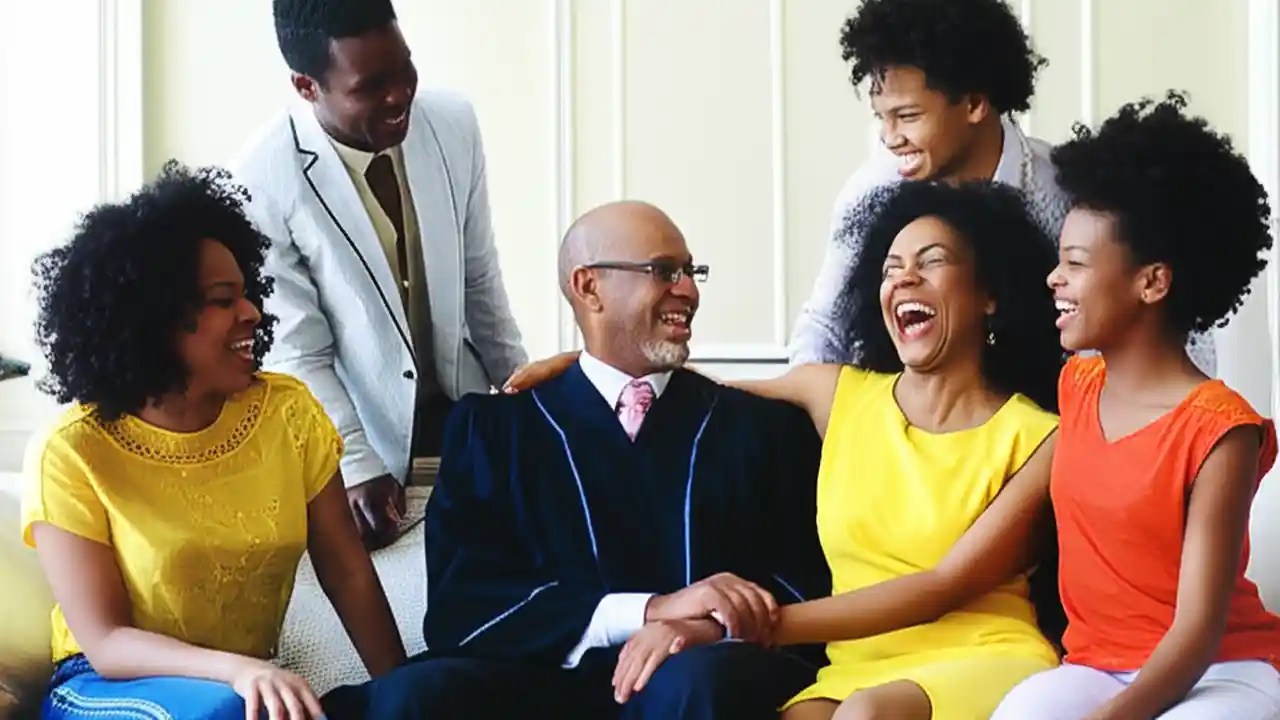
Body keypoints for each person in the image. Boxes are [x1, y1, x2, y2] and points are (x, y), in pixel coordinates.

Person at [506, 182, 1069, 719]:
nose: (905, 280)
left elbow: (940, 586)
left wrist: (731, 624)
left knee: (868, 714)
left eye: (931, 262)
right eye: (891, 268)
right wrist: (585, 368)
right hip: (858, 664)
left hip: (983, 653)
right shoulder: (833, 392)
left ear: (991, 294)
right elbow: (691, 389)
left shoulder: (1040, 435)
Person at [320, 200, 831, 719]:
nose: (689, 291)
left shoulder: (763, 427)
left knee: (704, 681)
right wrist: (647, 610)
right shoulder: (495, 432)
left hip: (693, 674)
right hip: (539, 679)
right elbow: (464, 604)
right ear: (589, 287)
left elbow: (806, 580)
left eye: (691, 272)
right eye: (664, 271)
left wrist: (709, 623)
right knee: (418, 696)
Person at [21, 162, 406, 720]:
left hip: (244, 689)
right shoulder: (72, 451)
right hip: (105, 690)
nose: (252, 313)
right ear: (155, 318)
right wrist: (238, 670)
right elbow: (104, 641)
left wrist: (403, 694)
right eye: (224, 300)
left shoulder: (287, 414)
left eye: (247, 294)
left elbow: (348, 573)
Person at [992, 93, 1280, 719]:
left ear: (1152, 281)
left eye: (1075, 264)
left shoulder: (1221, 431)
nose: (1054, 279)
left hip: (1222, 670)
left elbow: (1198, 630)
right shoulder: (1078, 388)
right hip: (1096, 664)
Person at [231, 0, 528, 551]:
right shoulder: (262, 177)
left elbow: (479, 279)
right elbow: (299, 349)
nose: (399, 96)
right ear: (306, 86)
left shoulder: (453, 123)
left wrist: (526, 394)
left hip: (462, 419)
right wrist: (354, 464)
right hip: (366, 443)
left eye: (404, 70)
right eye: (370, 86)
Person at [788, 0, 1218, 376]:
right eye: (881, 116)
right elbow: (826, 327)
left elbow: (1141, 329)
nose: (889, 136)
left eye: (908, 116)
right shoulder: (869, 190)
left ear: (975, 104)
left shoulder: (1064, 193)